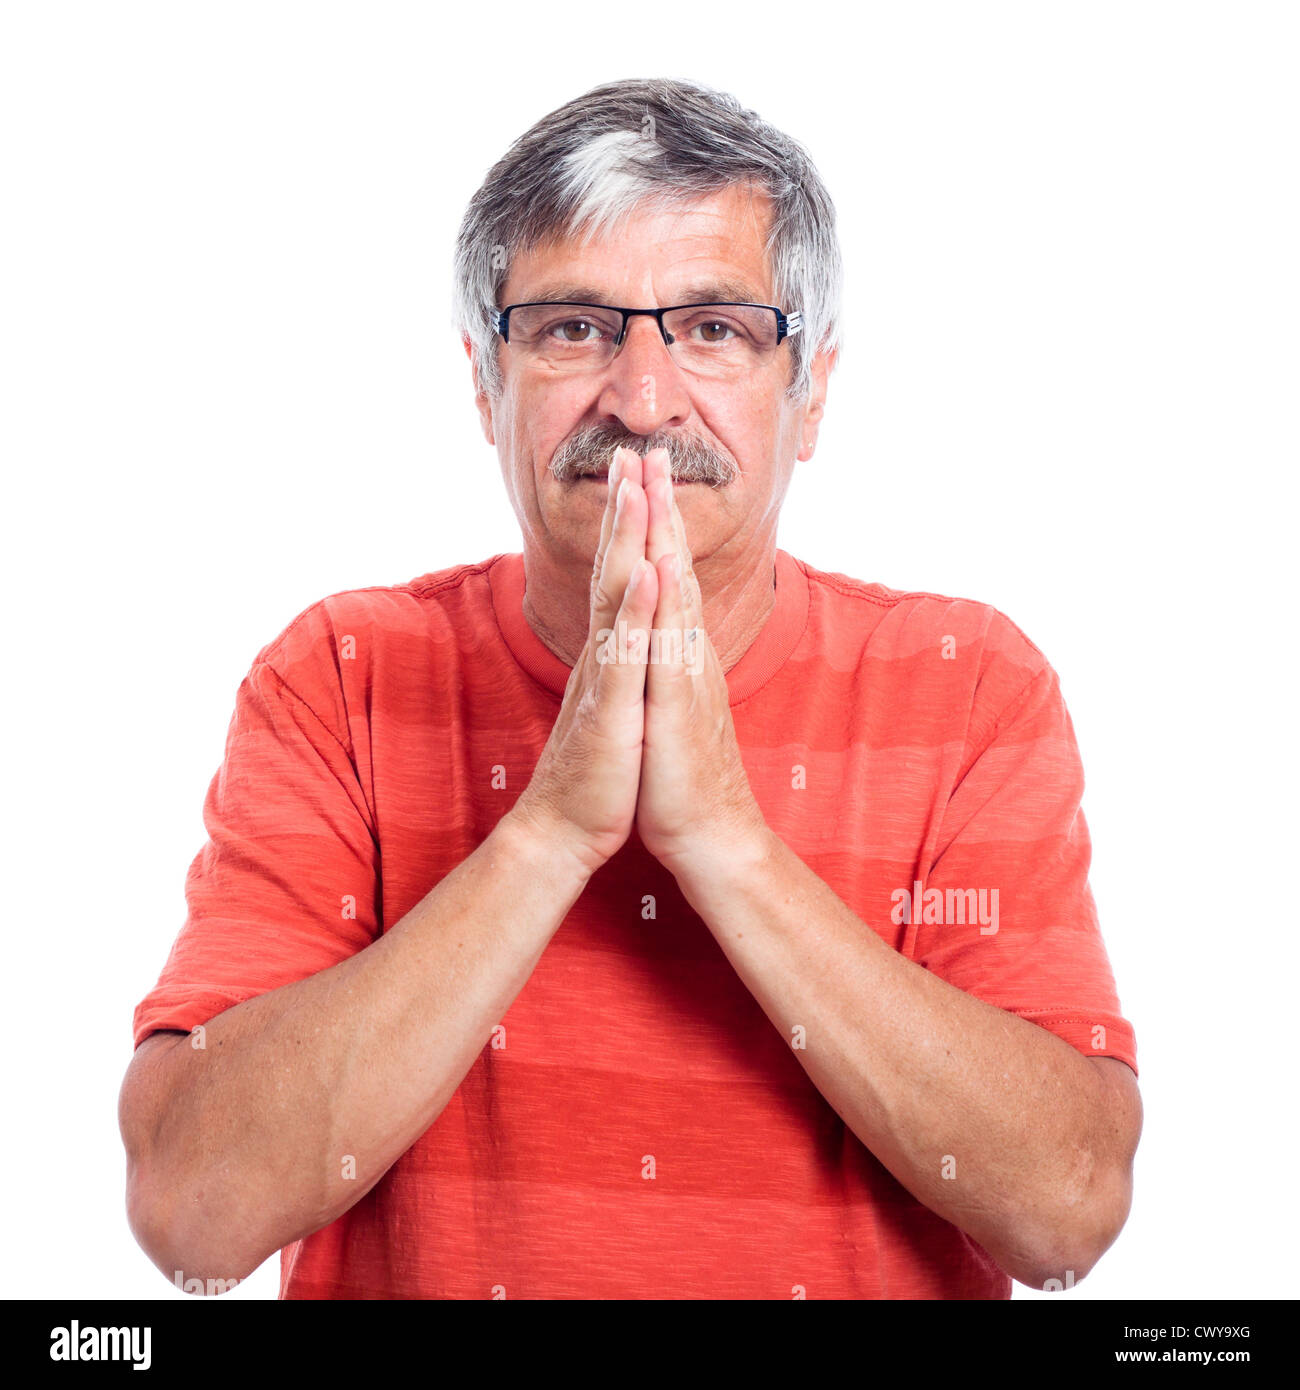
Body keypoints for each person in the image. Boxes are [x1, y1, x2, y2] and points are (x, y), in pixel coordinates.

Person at [120, 77, 1141, 1300]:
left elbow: (1067, 1213)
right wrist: (551, 831)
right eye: (571, 328)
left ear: (807, 392)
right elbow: (191, 1211)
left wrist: (722, 840)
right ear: (484, 387)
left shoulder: (968, 686)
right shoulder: (341, 676)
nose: (643, 400)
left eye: (714, 328)